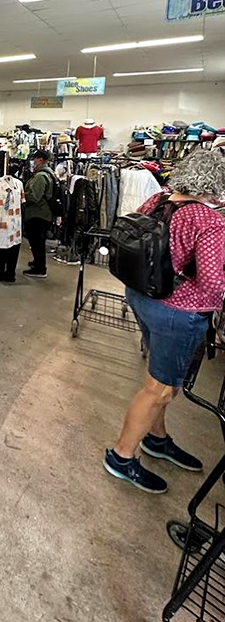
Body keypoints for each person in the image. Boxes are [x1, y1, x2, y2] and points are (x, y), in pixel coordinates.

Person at [105, 149, 225, 494]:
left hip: (143, 297)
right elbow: (213, 283)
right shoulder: (209, 221)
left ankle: (156, 438)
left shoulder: (157, 200)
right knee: (159, 388)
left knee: (159, 379)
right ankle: (121, 456)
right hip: (179, 313)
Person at [23, 149, 55, 279]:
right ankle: (37, 262)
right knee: (38, 241)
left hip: (38, 214)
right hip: (43, 213)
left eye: (34, 159)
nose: (33, 161)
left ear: (40, 159)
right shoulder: (48, 173)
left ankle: (40, 269)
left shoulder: (41, 176)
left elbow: (34, 197)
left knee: (37, 242)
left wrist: (21, 195)